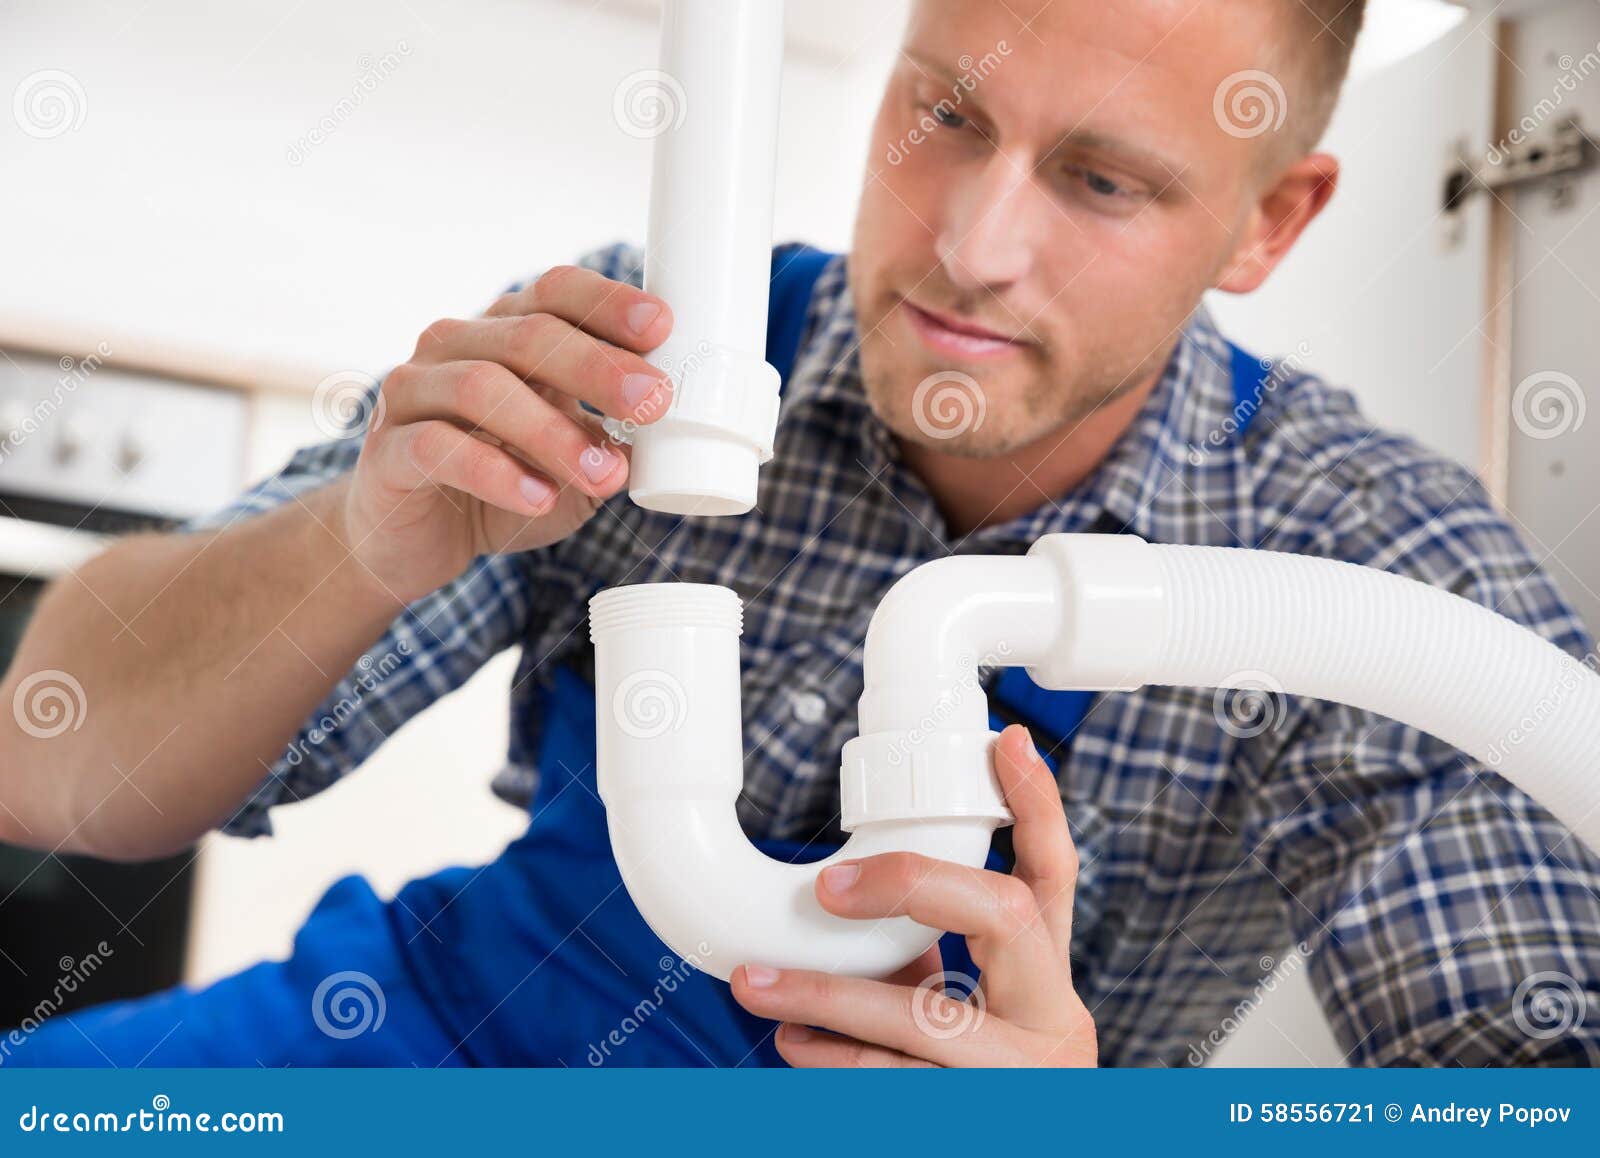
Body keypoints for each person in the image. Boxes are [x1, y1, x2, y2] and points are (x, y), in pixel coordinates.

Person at [4, 0, 1598, 1067]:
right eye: (947, 115)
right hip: (420, 1049)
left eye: (1101, 181)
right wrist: (359, 539)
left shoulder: (1365, 573)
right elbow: (51, 753)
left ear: (1271, 218)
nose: (972, 246)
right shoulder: (653, 348)